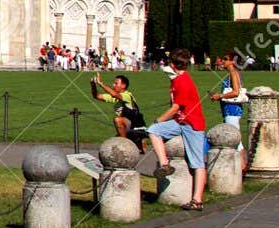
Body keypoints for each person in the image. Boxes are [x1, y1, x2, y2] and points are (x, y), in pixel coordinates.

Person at [147, 48, 208, 212]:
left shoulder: (182, 81)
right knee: (153, 131)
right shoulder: (178, 79)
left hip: (192, 124)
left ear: (172, 65)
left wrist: (159, 119)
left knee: (197, 163)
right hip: (181, 121)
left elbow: (175, 107)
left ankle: (197, 200)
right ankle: (165, 164)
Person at [90, 72, 148, 148]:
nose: (113, 85)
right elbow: (96, 96)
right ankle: (136, 142)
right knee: (112, 143)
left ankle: (125, 145)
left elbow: (114, 94)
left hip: (135, 126)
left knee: (117, 120)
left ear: (123, 86)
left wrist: (101, 84)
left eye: (116, 83)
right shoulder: (116, 98)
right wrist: (93, 85)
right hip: (127, 125)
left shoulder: (127, 95)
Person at [211, 52, 246, 168]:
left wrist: (220, 96)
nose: (223, 61)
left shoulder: (233, 73)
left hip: (232, 110)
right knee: (236, 140)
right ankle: (241, 167)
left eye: (225, 59)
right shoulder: (232, 73)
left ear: (232, 62)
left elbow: (235, 92)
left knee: (235, 140)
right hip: (230, 110)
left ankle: (242, 167)